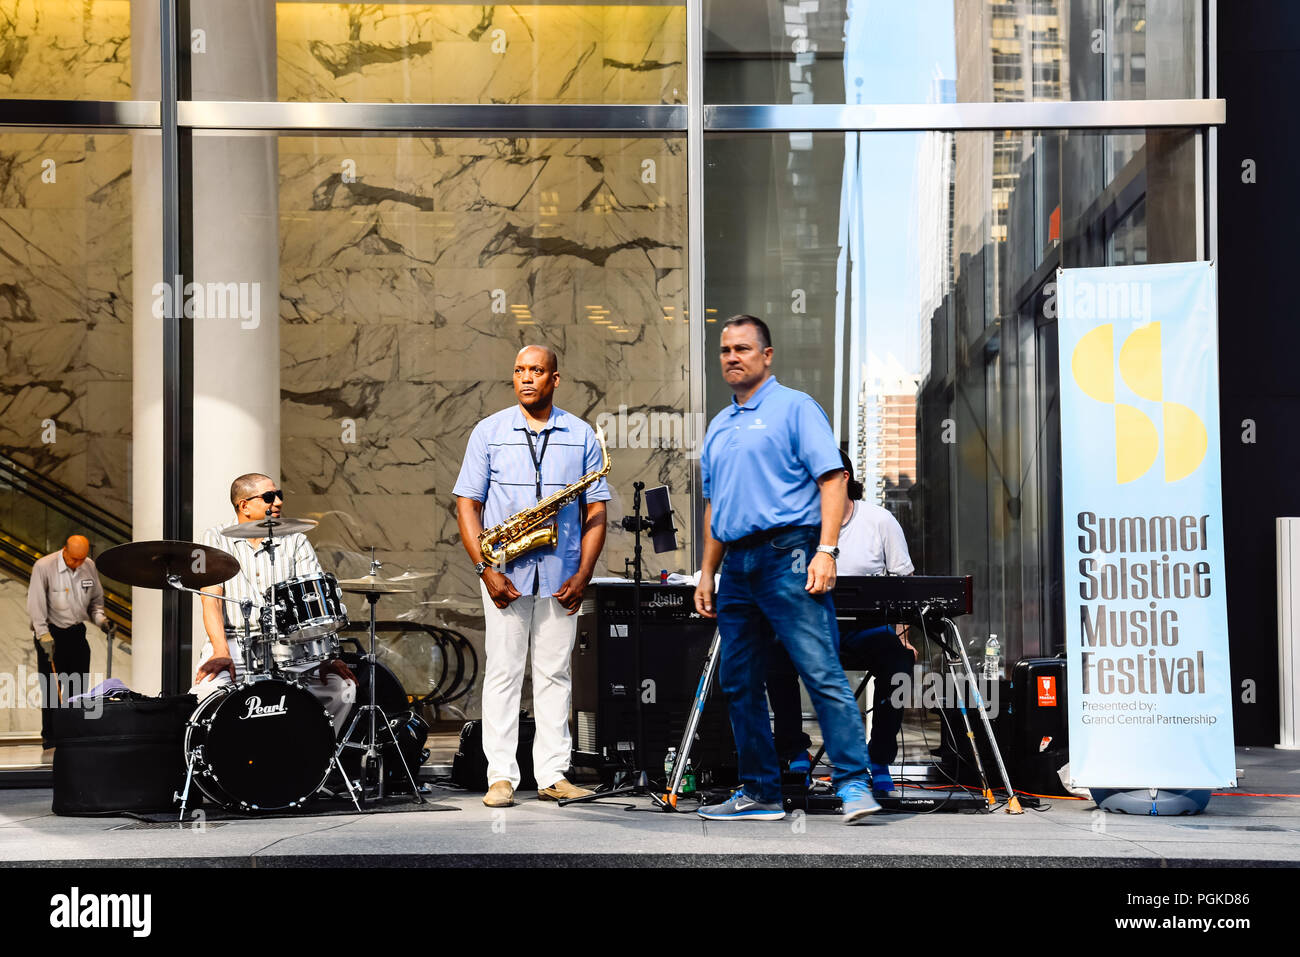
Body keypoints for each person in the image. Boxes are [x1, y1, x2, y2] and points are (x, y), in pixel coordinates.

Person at [694, 316, 880, 823]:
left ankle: (854, 786)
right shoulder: (718, 426)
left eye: (744, 349)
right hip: (736, 565)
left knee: (819, 669)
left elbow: (834, 479)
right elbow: (715, 507)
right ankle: (761, 794)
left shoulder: (795, 407)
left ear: (767, 355)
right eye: (725, 350)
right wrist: (706, 572)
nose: (733, 357)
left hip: (789, 553)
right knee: (739, 681)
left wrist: (827, 550)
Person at [454, 345, 610, 808]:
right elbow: (467, 503)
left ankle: (552, 774)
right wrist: (485, 568)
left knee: (555, 674)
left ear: (555, 378)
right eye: (520, 370)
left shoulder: (581, 435)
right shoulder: (489, 432)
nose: (526, 378)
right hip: (505, 572)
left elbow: (596, 510)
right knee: (503, 672)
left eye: (536, 371)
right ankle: (500, 775)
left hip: (561, 574)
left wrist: (583, 573)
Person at [768, 449, 916, 795]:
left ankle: (878, 760)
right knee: (774, 654)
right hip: (812, 631)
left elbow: (903, 586)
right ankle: (795, 751)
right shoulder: (799, 525)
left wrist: (904, 637)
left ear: (844, 479)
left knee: (898, 659)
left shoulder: (879, 521)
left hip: (864, 631)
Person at [194, 473, 355, 734]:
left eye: (279, 495)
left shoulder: (295, 540)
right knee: (208, 693)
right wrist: (220, 651)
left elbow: (313, 605)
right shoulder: (215, 538)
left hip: (289, 645)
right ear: (244, 505)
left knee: (341, 689)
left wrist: (326, 655)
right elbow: (210, 601)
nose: (278, 502)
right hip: (235, 642)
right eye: (269, 497)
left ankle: (311, 755)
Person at [27, 535, 111, 748]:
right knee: (51, 689)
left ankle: (74, 734)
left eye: (81, 559)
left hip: (76, 632)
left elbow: (95, 601)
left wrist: (101, 620)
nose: (77, 564)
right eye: (74, 559)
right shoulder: (44, 566)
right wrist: (43, 635)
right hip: (51, 633)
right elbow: (36, 604)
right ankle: (52, 736)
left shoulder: (88, 566)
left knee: (78, 686)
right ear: (64, 550)